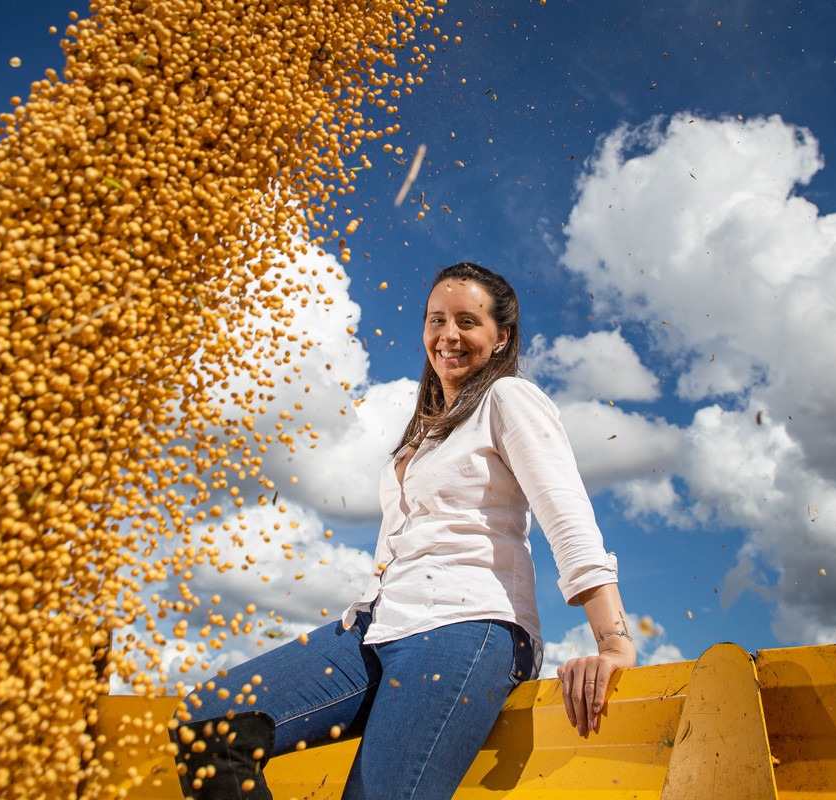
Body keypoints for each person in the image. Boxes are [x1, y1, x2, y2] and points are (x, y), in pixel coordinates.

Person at [170, 263, 636, 800]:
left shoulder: (509, 398)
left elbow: (567, 514)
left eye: (468, 320)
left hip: (467, 625)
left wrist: (613, 642)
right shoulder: (424, 432)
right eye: (436, 320)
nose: (449, 335)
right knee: (209, 725)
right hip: (373, 626)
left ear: (501, 335)